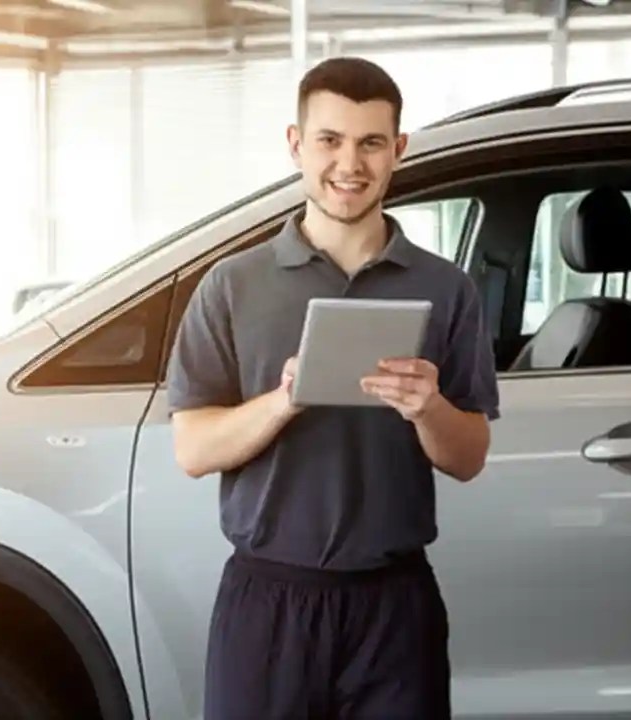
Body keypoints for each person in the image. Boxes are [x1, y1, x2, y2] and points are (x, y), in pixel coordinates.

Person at [167, 56, 500, 719]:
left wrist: (428, 407)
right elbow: (193, 450)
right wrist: (284, 400)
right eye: (330, 140)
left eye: (371, 142)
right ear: (296, 144)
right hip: (268, 602)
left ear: (398, 150)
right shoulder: (232, 285)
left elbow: (468, 457)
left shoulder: (445, 289)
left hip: (394, 608)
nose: (350, 163)